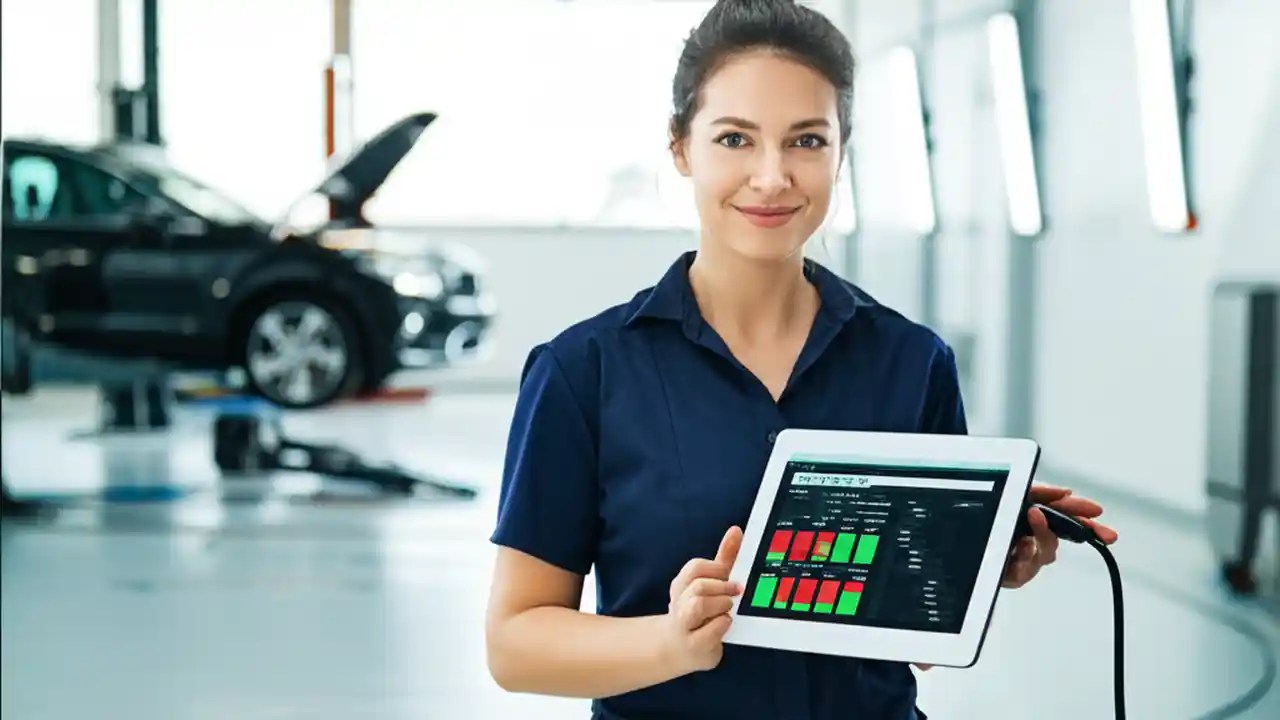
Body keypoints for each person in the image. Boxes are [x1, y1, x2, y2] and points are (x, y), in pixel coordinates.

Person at [484, 1, 1119, 718]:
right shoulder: (583, 373)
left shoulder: (912, 362)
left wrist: (980, 560)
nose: (772, 176)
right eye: (734, 138)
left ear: (842, 150)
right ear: (681, 148)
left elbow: (913, 623)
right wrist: (671, 642)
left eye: (806, 141)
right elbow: (515, 643)